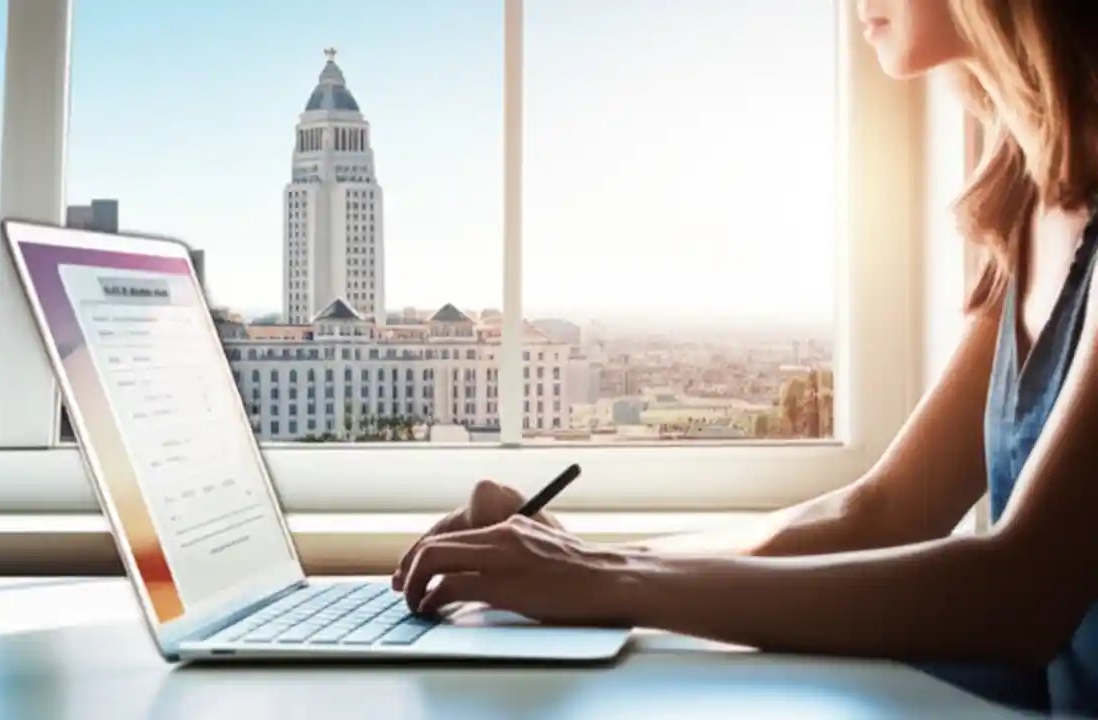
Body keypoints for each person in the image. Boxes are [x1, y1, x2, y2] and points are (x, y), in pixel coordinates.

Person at [391, 0, 1098, 714]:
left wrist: (602, 577)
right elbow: (883, 514)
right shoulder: (1026, 202)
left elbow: (1022, 591)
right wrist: (575, 557)